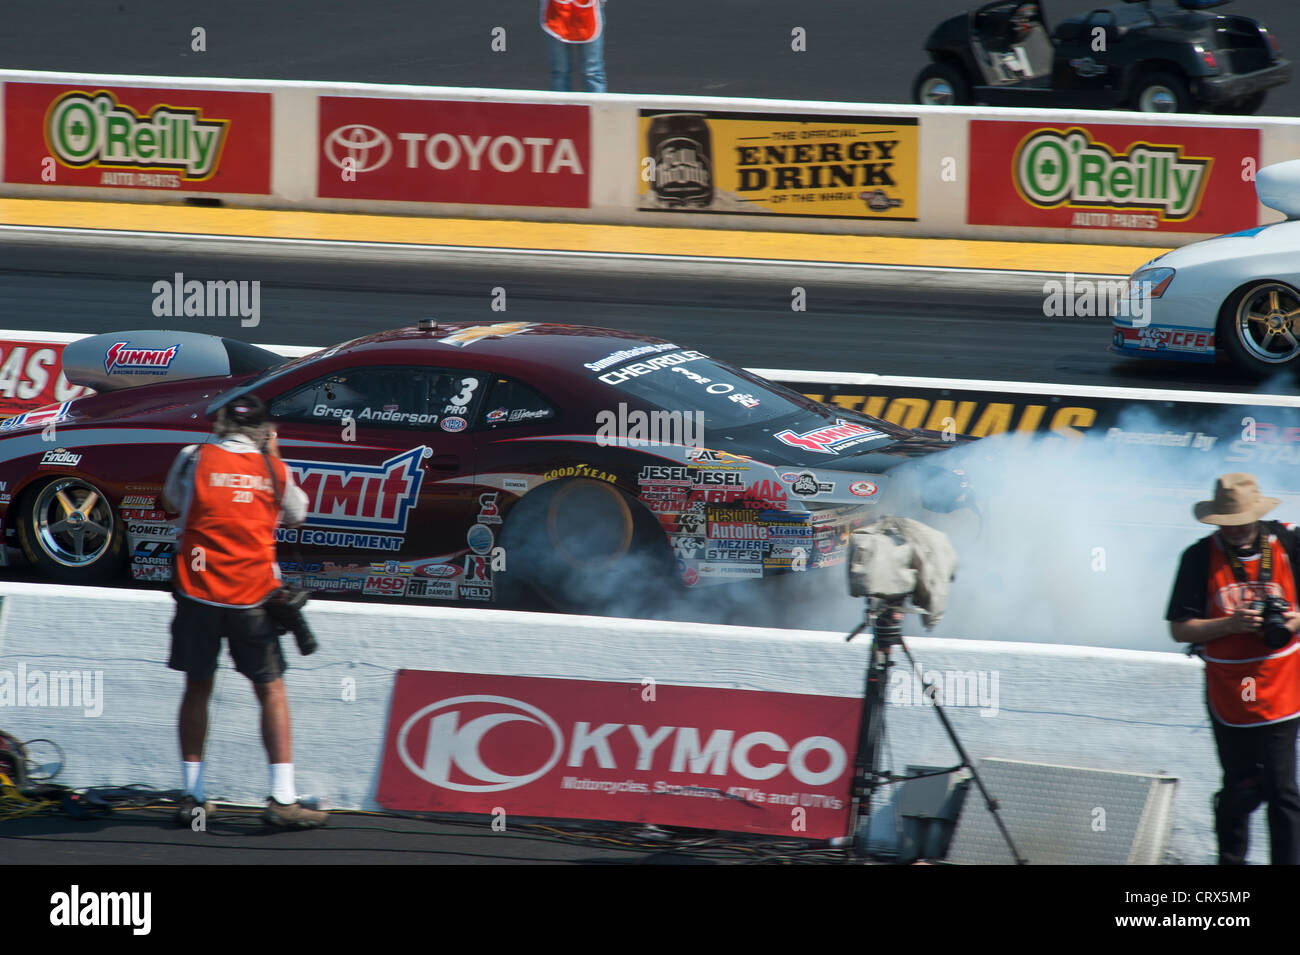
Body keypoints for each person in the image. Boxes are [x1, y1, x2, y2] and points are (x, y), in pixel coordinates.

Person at [162, 395, 326, 829]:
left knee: (197, 688)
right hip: (252, 597)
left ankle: (193, 796)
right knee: (270, 691)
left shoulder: (193, 457)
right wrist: (273, 457)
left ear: (220, 425)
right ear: (266, 432)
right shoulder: (273, 467)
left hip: (197, 593)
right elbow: (297, 514)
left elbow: (173, 502)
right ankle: (282, 800)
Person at [1166, 473, 1300, 864]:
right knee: (1240, 787)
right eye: (1228, 522)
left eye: (1243, 520)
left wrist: (1291, 623)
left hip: (1281, 687)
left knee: (1282, 790)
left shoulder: (1289, 543)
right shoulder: (1197, 557)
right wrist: (1231, 625)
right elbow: (1179, 629)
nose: (1237, 529)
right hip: (1229, 691)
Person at [541, 0, 607, 93]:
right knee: (560, 72)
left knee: (592, 72)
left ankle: (598, 107)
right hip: (557, 9)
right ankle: (561, 107)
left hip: (589, 10)